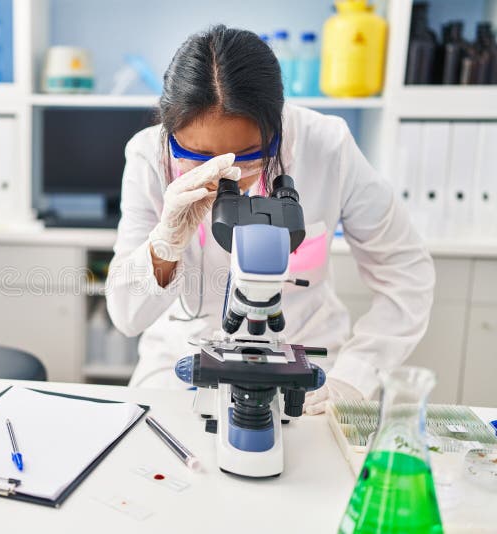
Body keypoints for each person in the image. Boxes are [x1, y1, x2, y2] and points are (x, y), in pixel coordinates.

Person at [105, 26, 434, 414]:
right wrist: (165, 243)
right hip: (184, 356)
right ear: (169, 128)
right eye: (198, 154)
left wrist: (357, 375)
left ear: (278, 123)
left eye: (247, 155)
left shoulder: (328, 145)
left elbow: (406, 272)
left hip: (305, 361)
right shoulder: (149, 156)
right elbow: (127, 316)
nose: (226, 174)